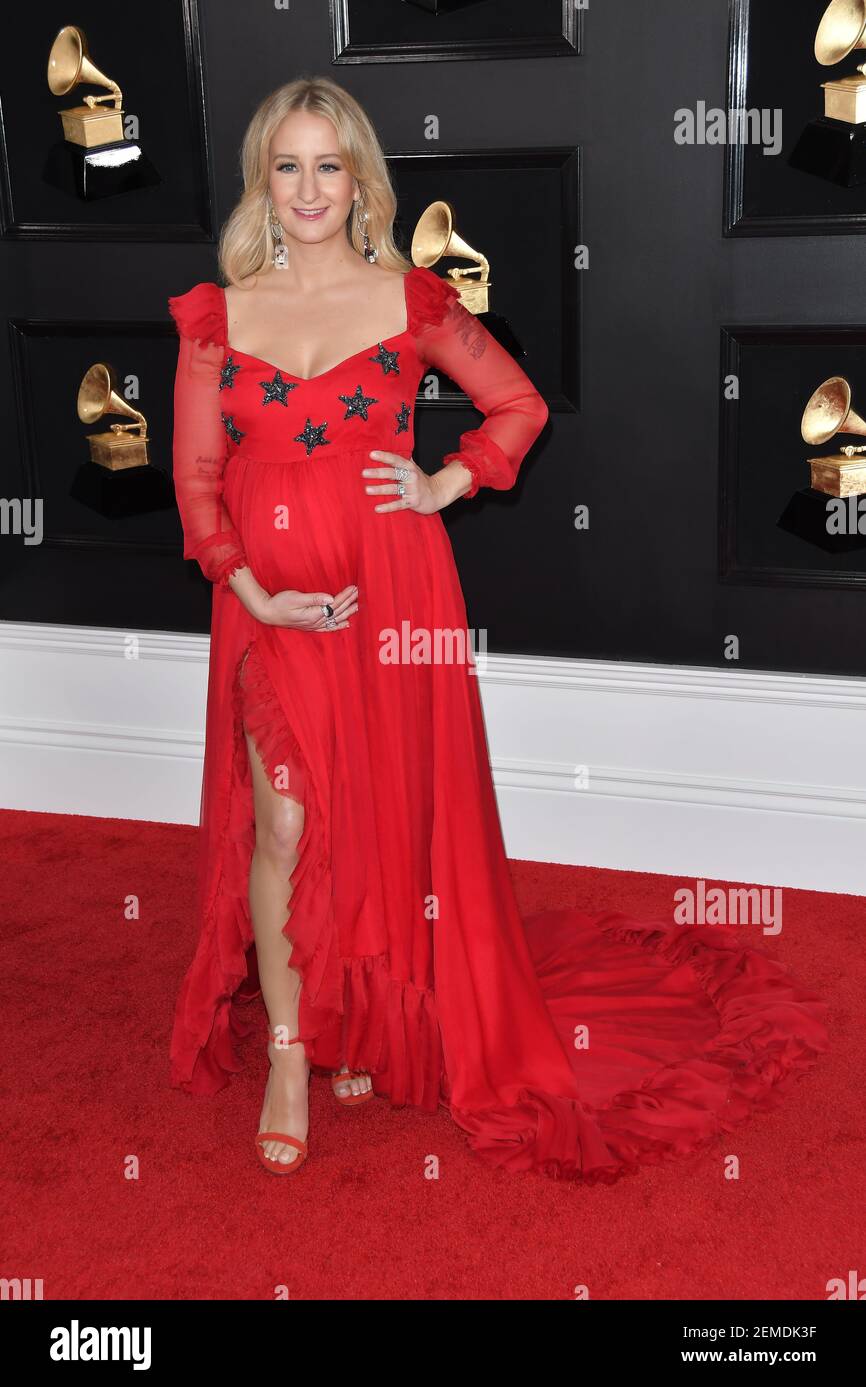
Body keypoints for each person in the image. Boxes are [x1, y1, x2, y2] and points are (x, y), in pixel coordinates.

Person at [167, 76, 828, 1180]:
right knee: (283, 821)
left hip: (395, 595)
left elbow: (515, 405)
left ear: (360, 179)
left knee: (380, 816)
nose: (308, 187)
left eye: (328, 165)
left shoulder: (412, 301)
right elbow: (195, 478)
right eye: (286, 165)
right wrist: (247, 590)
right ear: (260, 183)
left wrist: (444, 481)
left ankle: (359, 1023)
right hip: (269, 611)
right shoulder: (215, 317)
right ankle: (289, 1050)